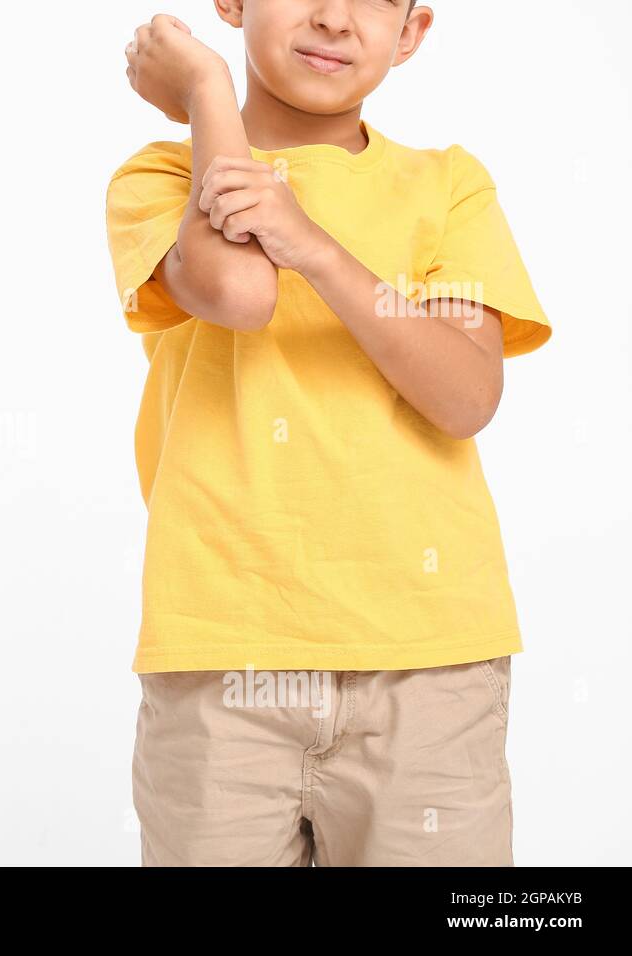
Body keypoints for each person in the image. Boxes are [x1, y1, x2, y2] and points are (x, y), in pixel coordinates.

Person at [105, 1, 550, 865]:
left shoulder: (447, 184)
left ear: (411, 33)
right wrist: (207, 90)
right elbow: (239, 293)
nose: (337, 19)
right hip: (222, 658)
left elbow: (465, 397)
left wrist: (310, 243)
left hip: (427, 667)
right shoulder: (160, 176)